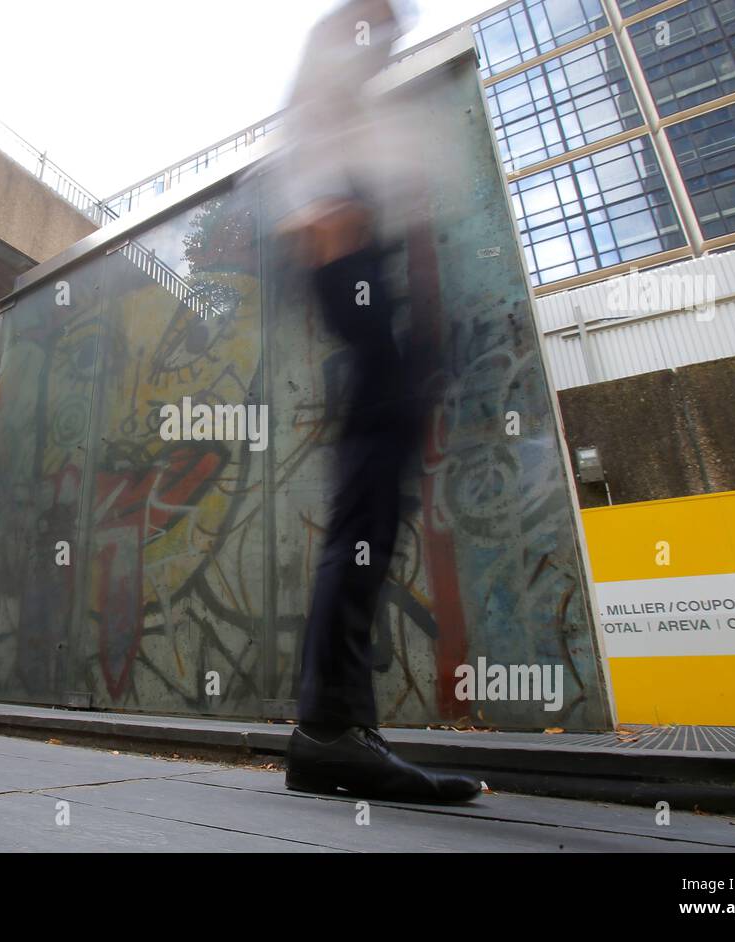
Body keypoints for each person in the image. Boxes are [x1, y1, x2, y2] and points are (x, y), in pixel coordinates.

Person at [276, 0, 480, 803]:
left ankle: (331, 728)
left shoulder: (358, 47)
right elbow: (315, 148)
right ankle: (329, 731)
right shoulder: (343, 37)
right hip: (355, 262)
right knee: (364, 514)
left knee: (371, 510)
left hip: (363, 266)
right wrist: (339, 237)